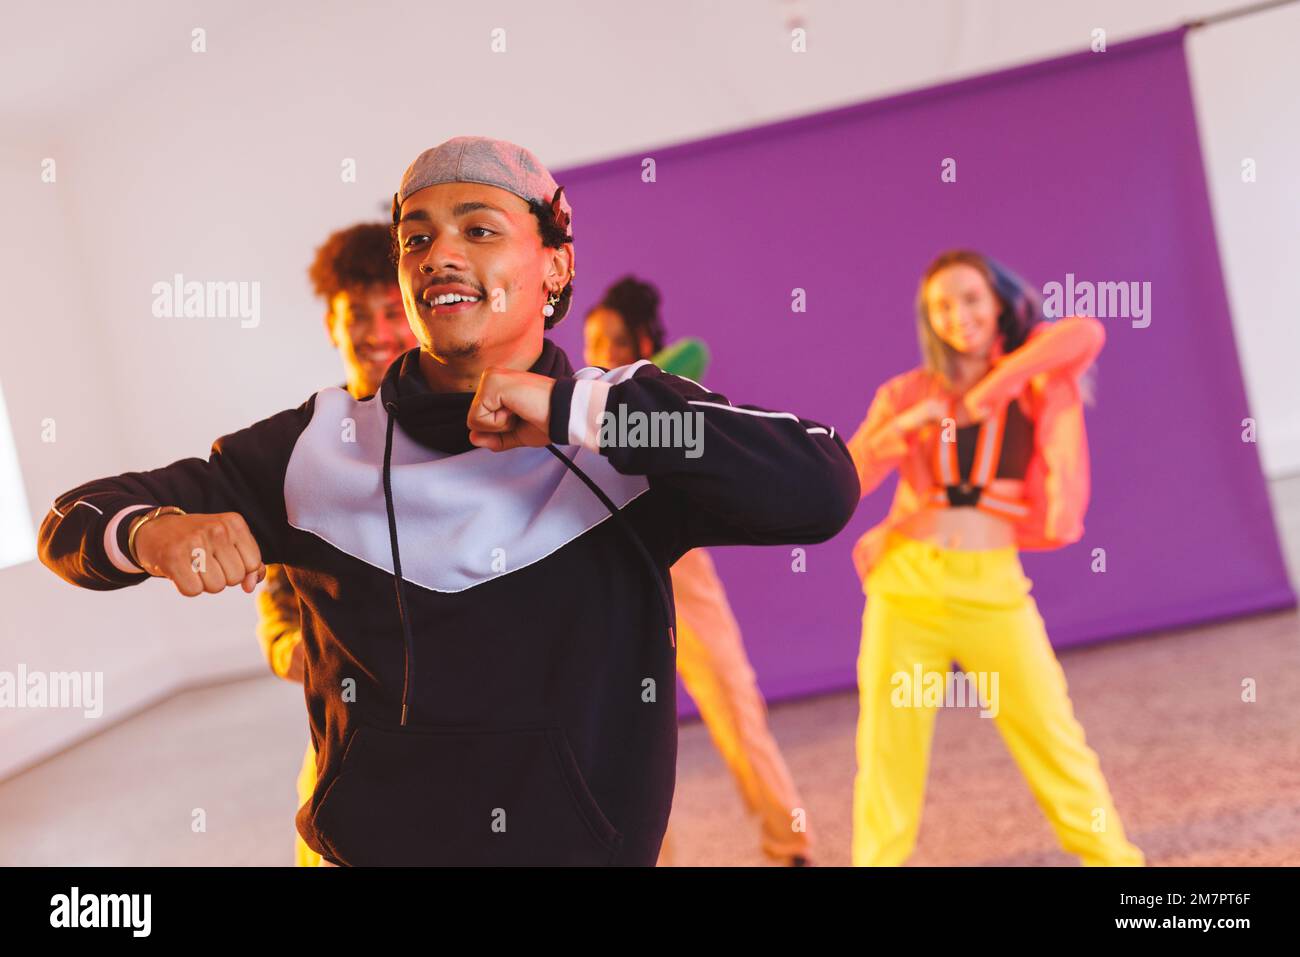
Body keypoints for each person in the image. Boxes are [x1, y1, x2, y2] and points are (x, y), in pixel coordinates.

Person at [38, 135, 859, 866]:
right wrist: (152, 533)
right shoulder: (316, 444)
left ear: (556, 264)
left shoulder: (624, 420)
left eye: (479, 228)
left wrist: (575, 415)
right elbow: (67, 524)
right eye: (417, 238)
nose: (438, 254)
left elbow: (821, 485)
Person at [846, 249, 1144, 867]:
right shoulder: (906, 391)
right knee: (887, 752)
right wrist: (905, 427)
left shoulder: (1034, 382)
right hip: (907, 589)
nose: (960, 315)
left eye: (972, 298)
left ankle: (1118, 866)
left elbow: (1087, 332)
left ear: (999, 303)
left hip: (994, 590)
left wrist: (985, 393)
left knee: (1054, 738)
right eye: (942, 306)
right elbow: (846, 476)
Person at [585, 276, 813, 866]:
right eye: (591, 342)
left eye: (612, 341)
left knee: (737, 711)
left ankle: (790, 848)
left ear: (638, 341)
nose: (598, 354)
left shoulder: (667, 388)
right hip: (614, 584)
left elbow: (691, 354)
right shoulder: (580, 407)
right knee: (634, 739)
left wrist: (632, 382)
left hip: (683, 577)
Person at [255, 222, 417, 867]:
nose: (377, 333)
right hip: (346, 729)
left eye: (391, 312)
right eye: (358, 314)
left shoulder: (471, 429)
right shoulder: (302, 449)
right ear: (331, 322)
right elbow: (276, 587)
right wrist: (290, 646)